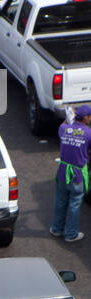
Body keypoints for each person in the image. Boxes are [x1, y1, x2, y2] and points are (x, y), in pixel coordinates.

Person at [50, 104, 91, 244]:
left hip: (62, 172)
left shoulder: (64, 129)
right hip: (77, 175)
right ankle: (71, 234)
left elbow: (63, 124)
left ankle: (56, 229)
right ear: (86, 117)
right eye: (89, 117)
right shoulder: (88, 133)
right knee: (75, 204)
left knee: (60, 201)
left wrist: (69, 116)